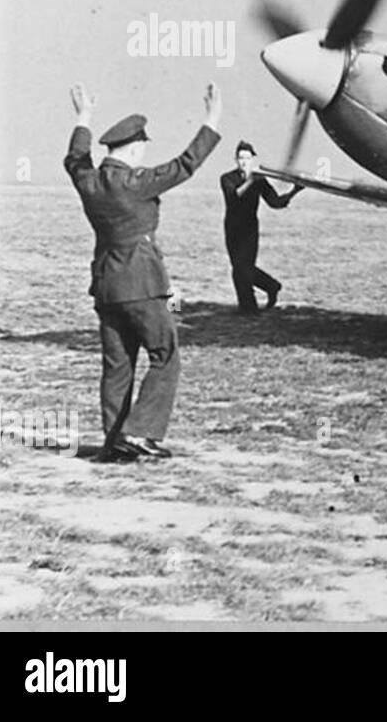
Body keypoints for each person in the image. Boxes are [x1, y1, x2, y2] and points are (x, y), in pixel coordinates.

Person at [64, 82, 222, 462]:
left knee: (117, 367)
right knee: (165, 355)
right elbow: (186, 164)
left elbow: (75, 158)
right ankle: (139, 434)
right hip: (145, 286)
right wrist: (213, 119)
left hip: (106, 288)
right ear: (135, 149)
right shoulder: (135, 182)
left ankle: (114, 441)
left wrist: (83, 117)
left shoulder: (90, 181)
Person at [220, 142, 302, 315]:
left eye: (247, 158)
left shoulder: (259, 180)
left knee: (242, 268)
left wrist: (295, 190)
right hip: (232, 228)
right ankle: (271, 286)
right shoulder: (227, 178)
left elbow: (275, 202)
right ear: (235, 159)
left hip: (249, 229)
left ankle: (248, 309)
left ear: (252, 160)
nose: (243, 162)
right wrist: (252, 179)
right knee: (241, 267)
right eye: (241, 158)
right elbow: (235, 195)